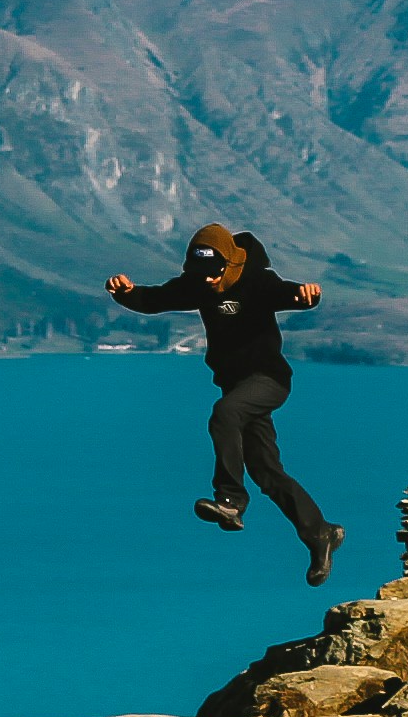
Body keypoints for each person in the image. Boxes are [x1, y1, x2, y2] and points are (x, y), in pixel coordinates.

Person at [107, 225, 347, 585]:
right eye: (202, 275)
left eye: (215, 273)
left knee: (225, 414)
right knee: (267, 472)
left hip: (269, 380)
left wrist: (306, 297)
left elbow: (288, 294)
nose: (209, 281)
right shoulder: (198, 283)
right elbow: (155, 299)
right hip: (236, 386)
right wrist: (126, 294)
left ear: (230, 264)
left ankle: (231, 501)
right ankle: (320, 534)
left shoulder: (256, 281)